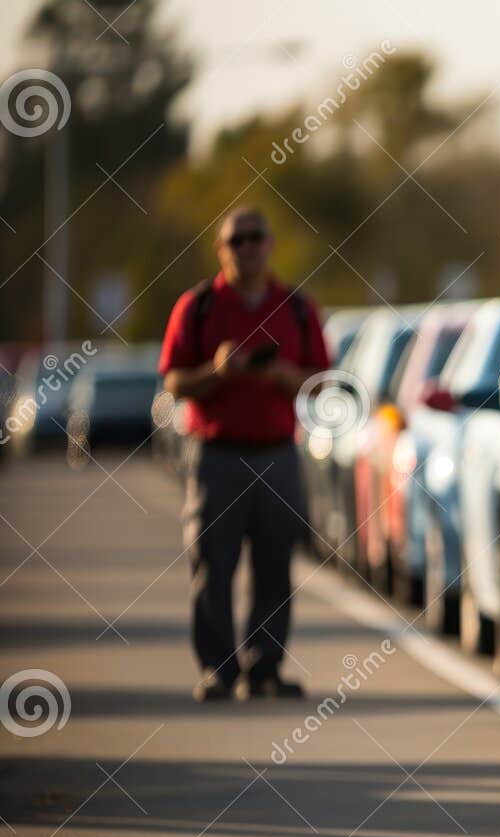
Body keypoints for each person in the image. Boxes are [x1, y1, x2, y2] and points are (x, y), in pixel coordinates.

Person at [159, 206, 329, 702]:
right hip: (218, 456)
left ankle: (265, 668)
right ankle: (218, 669)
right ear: (222, 249)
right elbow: (172, 379)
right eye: (238, 240)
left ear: (269, 244)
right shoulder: (199, 306)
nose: (248, 247)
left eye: (256, 238)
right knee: (213, 563)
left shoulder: (296, 306)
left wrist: (281, 375)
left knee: (275, 565)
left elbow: (322, 385)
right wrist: (216, 371)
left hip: (277, 453)